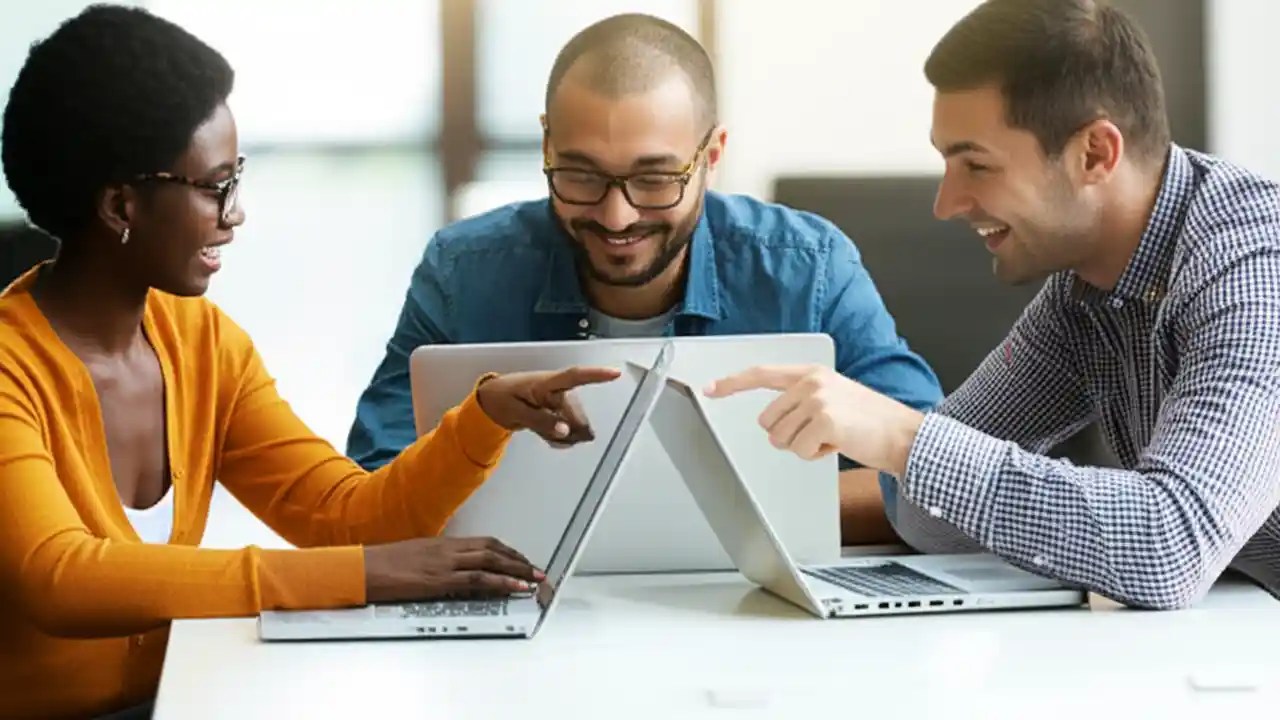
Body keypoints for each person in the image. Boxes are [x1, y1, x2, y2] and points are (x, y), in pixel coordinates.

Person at [0, 7, 620, 719]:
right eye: (214, 187)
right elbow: (62, 579)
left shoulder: (205, 344)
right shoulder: (10, 366)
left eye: (238, 180)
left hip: (175, 703)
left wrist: (482, 418)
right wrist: (359, 577)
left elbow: (348, 517)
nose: (235, 215)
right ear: (120, 205)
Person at [707, 0, 1280, 611]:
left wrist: (902, 435)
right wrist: (905, 448)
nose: (947, 202)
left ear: (1095, 154)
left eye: (976, 164)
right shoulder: (1081, 291)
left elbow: (1169, 545)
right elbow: (928, 519)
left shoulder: (1254, 265)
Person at [345, 13, 944, 542]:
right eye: (580, 175)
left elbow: (934, 477)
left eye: (655, 180)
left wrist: (722, 522)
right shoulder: (462, 272)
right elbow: (373, 489)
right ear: (547, 145)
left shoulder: (808, 267)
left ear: (711, 156)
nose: (616, 216)